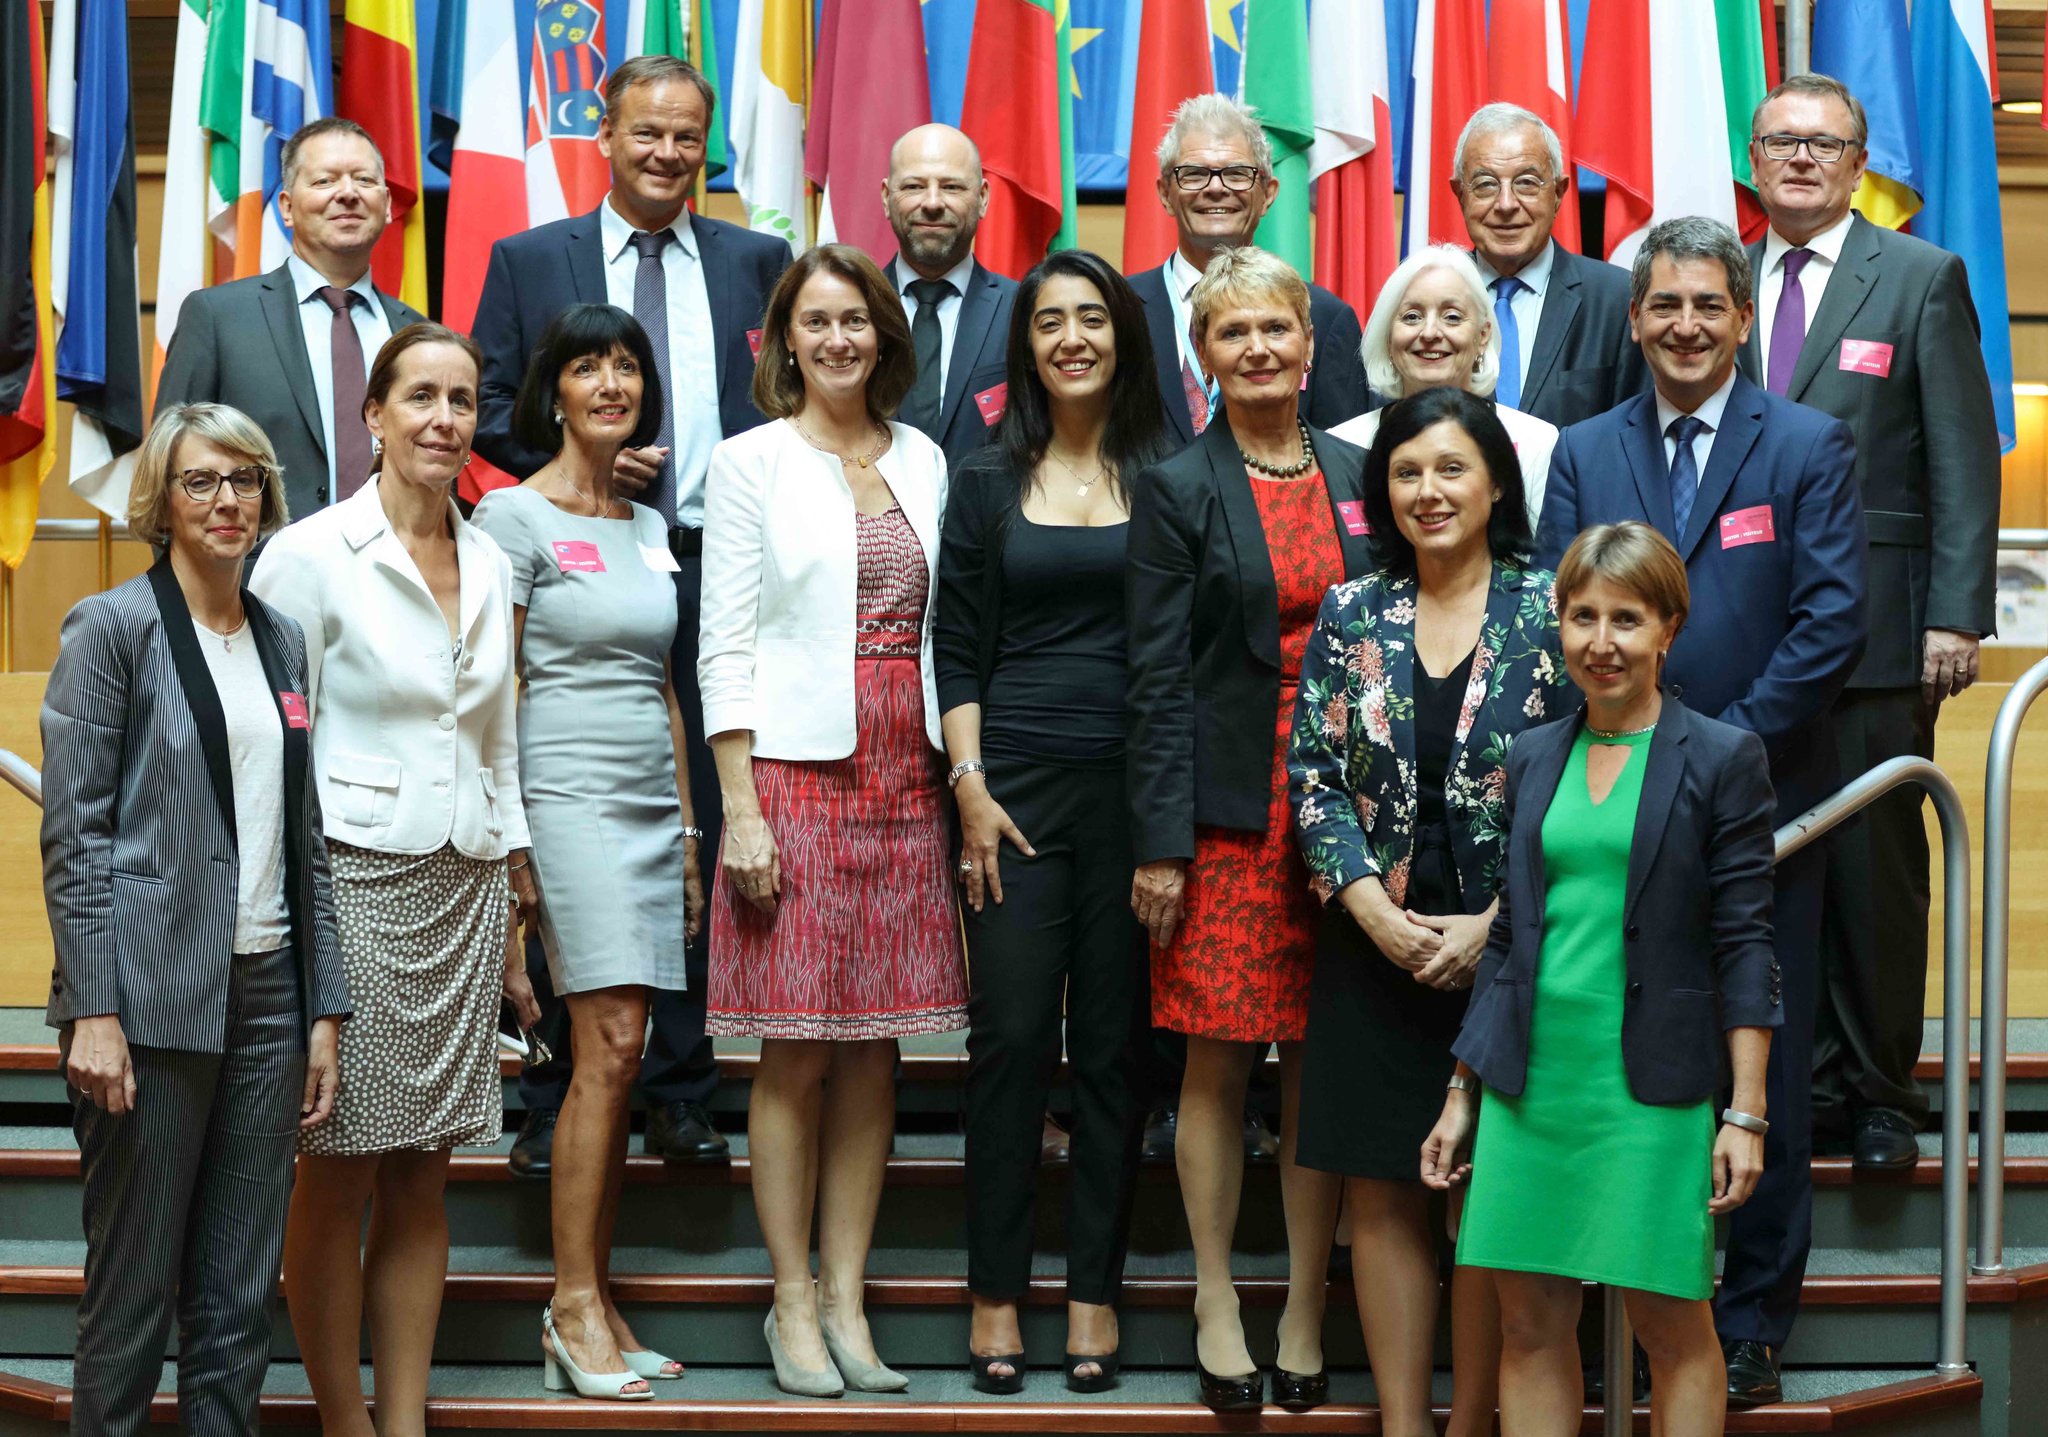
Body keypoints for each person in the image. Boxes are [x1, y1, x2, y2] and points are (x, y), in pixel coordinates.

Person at [1538, 216, 1867, 1409]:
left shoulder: (1807, 442)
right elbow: (1561, 603)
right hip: (1602, 807)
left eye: (1705, 307)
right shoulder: (1582, 449)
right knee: (1603, 1057)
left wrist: (1708, 754)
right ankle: (1598, 1307)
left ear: (1740, 318)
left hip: (1757, 808)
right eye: (1661, 306)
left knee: (1754, 1071)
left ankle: (1749, 1321)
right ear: (1633, 321)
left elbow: (1829, 620)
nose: (1683, 325)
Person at [473, 53, 790, 1175]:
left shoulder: (761, 262)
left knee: (697, 809)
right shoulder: (528, 259)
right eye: (644, 133)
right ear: (603, 135)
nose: (665, 154)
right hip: (580, 555)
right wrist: (596, 468)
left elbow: (790, 411)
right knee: (571, 830)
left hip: (722, 562)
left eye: (685, 138)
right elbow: (497, 415)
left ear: (708, 148)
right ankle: (555, 1081)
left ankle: (683, 1081)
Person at [1425, 520, 1780, 1437]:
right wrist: (1463, 1087)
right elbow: (1509, 939)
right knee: (1530, 1325)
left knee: (1674, 1329)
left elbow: (1746, 944)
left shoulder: (1722, 756)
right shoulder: (1535, 754)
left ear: (1669, 627)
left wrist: (1745, 1111)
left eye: (1627, 618)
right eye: (1583, 615)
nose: (1602, 641)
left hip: (1651, 1089)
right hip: (1531, 1086)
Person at [40, 403, 351, 1437]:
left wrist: (324, 1009)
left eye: (245, 481)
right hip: (146, 1002)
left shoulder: (282, 638)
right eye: (201, 482)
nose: (228, 502)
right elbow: (74, 836)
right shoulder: (114, 628)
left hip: (268, 998)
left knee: (236, 1300)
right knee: (132, 1297)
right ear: (162, 504)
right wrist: (93, 1008)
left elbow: (305, 836)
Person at [250, 324, 539, 1437]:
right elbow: (275, 746)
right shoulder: (312, 552)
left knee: (424, 1169)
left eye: (461, 401)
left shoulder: (495, 555)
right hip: (351, 883)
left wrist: (514, 903)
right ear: (371, 415)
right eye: (419, 396)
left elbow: (498, 739)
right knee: (337, 1162)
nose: (443, 420)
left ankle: (403, 1422)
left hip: (463, 884)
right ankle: (342, 1421)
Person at [699, 244, 966, 1398]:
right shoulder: (748, 461)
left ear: (882, 334)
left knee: (877, 1051)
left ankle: (849, 1294)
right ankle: (789, 1300)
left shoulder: (924, 456)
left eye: (854, 319)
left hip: (905, 769)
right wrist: (740, 811)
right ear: (784, 341)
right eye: (815, 321)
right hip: (793, 771)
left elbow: (947, 632)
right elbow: (723, 639)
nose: (837, 339)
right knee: (795, 1046)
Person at [1287, 386, 1567, 1437]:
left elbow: (1587, 775)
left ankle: (1476, 1423)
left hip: (1512, 943)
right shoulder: (1351, 610)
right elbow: (1311, 775)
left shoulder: (1549, 608)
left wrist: (1495, 921)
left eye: (1451, 468)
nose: (1428, 490)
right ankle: (1406, 1424)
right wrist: (1366, 908)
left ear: (1495, 482)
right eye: (1406, 472)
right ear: (1380, 492)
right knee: (1381, 1194)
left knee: (1484, 1201)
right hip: (1376, 940)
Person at [1740, 78, 2001, 1196]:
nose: (1800, 160)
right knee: (1757, 871)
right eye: (1780, 143)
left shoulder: (1918, 277)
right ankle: (1778, 1089)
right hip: (1738, 630)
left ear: (1858, 163)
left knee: (1872, 876)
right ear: (1753, 160)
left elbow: (1959, 452)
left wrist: (1955, 610)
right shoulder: (1712, 276)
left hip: (1883, 637)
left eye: (1824, 143)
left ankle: (1881, 1098)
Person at [1125, 246, 1375, 1414]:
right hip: (1225, 814)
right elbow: (1155, 679)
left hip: (1350, 811)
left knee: (1323, 1062)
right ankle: (1217, 1292)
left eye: (1277, 329)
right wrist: (1159, 843)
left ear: (1310, 345)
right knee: (1219, 1061)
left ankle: (1306, 1305)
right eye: (1234, 335)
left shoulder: (1360, 471)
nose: (1260, 350)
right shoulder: (1176, 487)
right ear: (1203, 358)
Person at [933, 250, 1171, 1394]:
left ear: (1122, 335)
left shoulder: (1167, 472)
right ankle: (993, 1297)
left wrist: (1166, 820)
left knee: (1117, 1055)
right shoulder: (982, 479)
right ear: (1023, 347)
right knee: (1013, 1043)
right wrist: (968, 785)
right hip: (1012, 793)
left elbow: (1176, 659)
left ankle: (1090, 1296)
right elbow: (956, 642)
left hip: (1132, 799)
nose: (1070, 338)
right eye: (1047, 323)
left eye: (1090, 318)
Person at [471, 304, 707, 1399]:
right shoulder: (511, 521)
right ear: (552, 392)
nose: (610, 383)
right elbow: (493, 688)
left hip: (653, 813)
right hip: (562, 800)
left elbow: (665, 688)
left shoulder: (649, 525)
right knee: (605, 1044)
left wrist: (694, 830)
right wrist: (512, 841)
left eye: (626, 366)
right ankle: (568, 1305)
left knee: (624, 1050)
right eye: (586, 367)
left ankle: (598, 1299)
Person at [156, 119, 426, 519]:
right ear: (286, 207)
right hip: (253, 575)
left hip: (396, 570)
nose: (347, 193)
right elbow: (168, 469)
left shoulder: (417, 335)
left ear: (387, 205)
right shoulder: (218, 318)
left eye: (364, 180)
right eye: (324, 181)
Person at [1130, 94, 1370, 447]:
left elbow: (1345, 465)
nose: (1215, 188)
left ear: (1268, 193)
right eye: (1193, 174)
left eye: (1236, 174)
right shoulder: (1118, 310)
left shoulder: (1327, 317)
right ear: (1166, 193)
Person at [1450, 102, 1647, 428]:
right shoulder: (1426, 302)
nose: (1506, 204)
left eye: (1526, 182)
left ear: (1558, 192)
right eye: (1486, 184)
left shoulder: (1618, 301)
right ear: (1460, 194)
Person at [1331, 243, 1559, 525]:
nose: (1429, 333)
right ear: (1388, 337)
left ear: (1483, 335)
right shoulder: (1340, 445)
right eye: (1411, 316)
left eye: (1451, 316)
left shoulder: (1535, 443)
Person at [882, 123, 1019, 470]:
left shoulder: (1023, 310)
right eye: (913, 186)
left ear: (983, 197)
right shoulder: (854, 311)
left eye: (951, 186)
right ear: (886, 197)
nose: (931, 203)